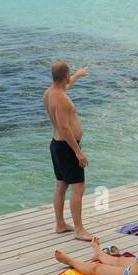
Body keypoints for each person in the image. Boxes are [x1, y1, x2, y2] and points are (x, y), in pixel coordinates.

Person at [43, 60, 92, 240]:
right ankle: (79, 229)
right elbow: (64, 127)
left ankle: (60, 224)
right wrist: (78, 152)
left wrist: (78, 74)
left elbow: (66, 85)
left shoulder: (50, 93)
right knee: (78, 187)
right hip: (67, 147)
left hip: (56, 145)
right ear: (65, 75)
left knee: (61, 184)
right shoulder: (61, 98)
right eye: (70, 74)